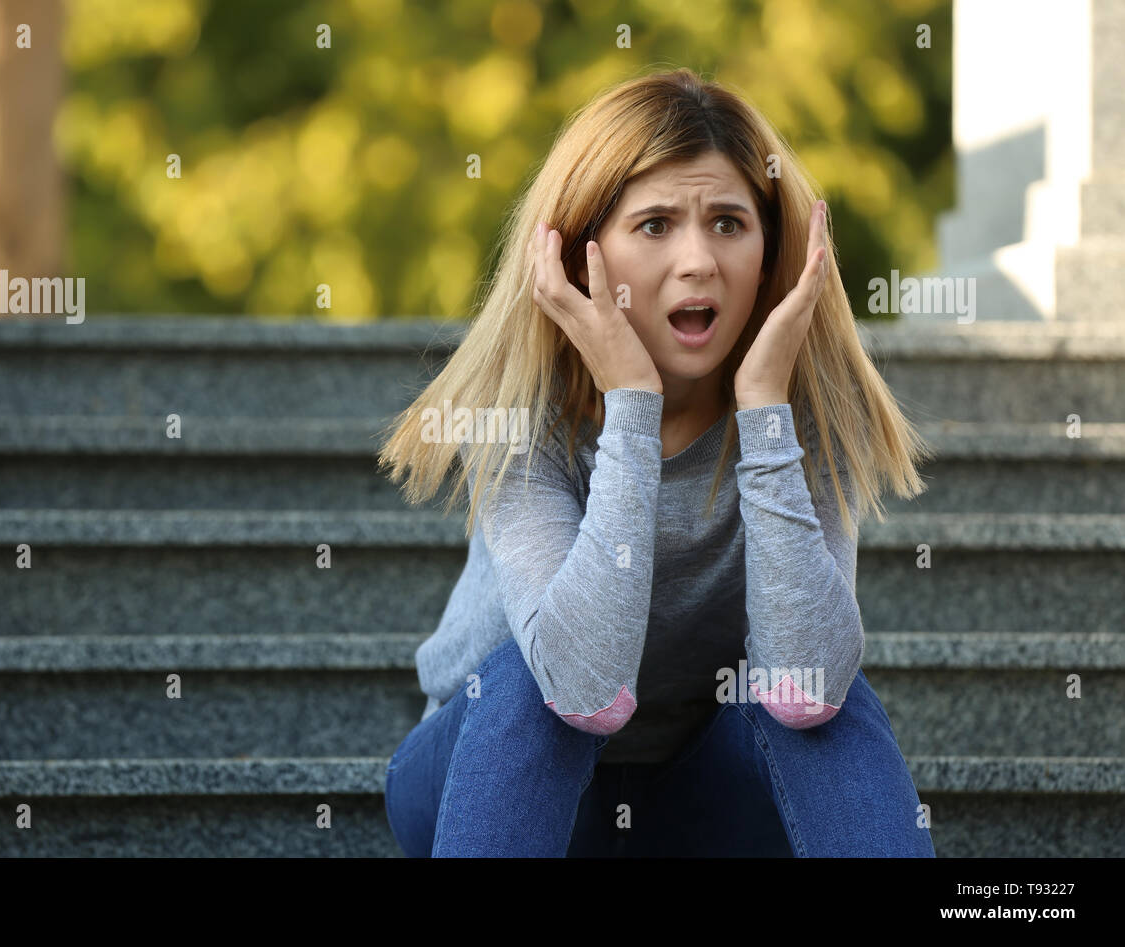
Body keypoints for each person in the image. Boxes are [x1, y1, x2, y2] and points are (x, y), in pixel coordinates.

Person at [375, 66, 936, 857]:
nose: (699, 260)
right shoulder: (523, 418)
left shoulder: (801, 417)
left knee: (824, 695)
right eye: (656, 224)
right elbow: (580, 687)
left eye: (729, 223)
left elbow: (807, 692)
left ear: (771, 249)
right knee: (531, 682)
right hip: (489, 784)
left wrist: (768, 415)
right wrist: (630, 408)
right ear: (579, 256)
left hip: (696, 803)